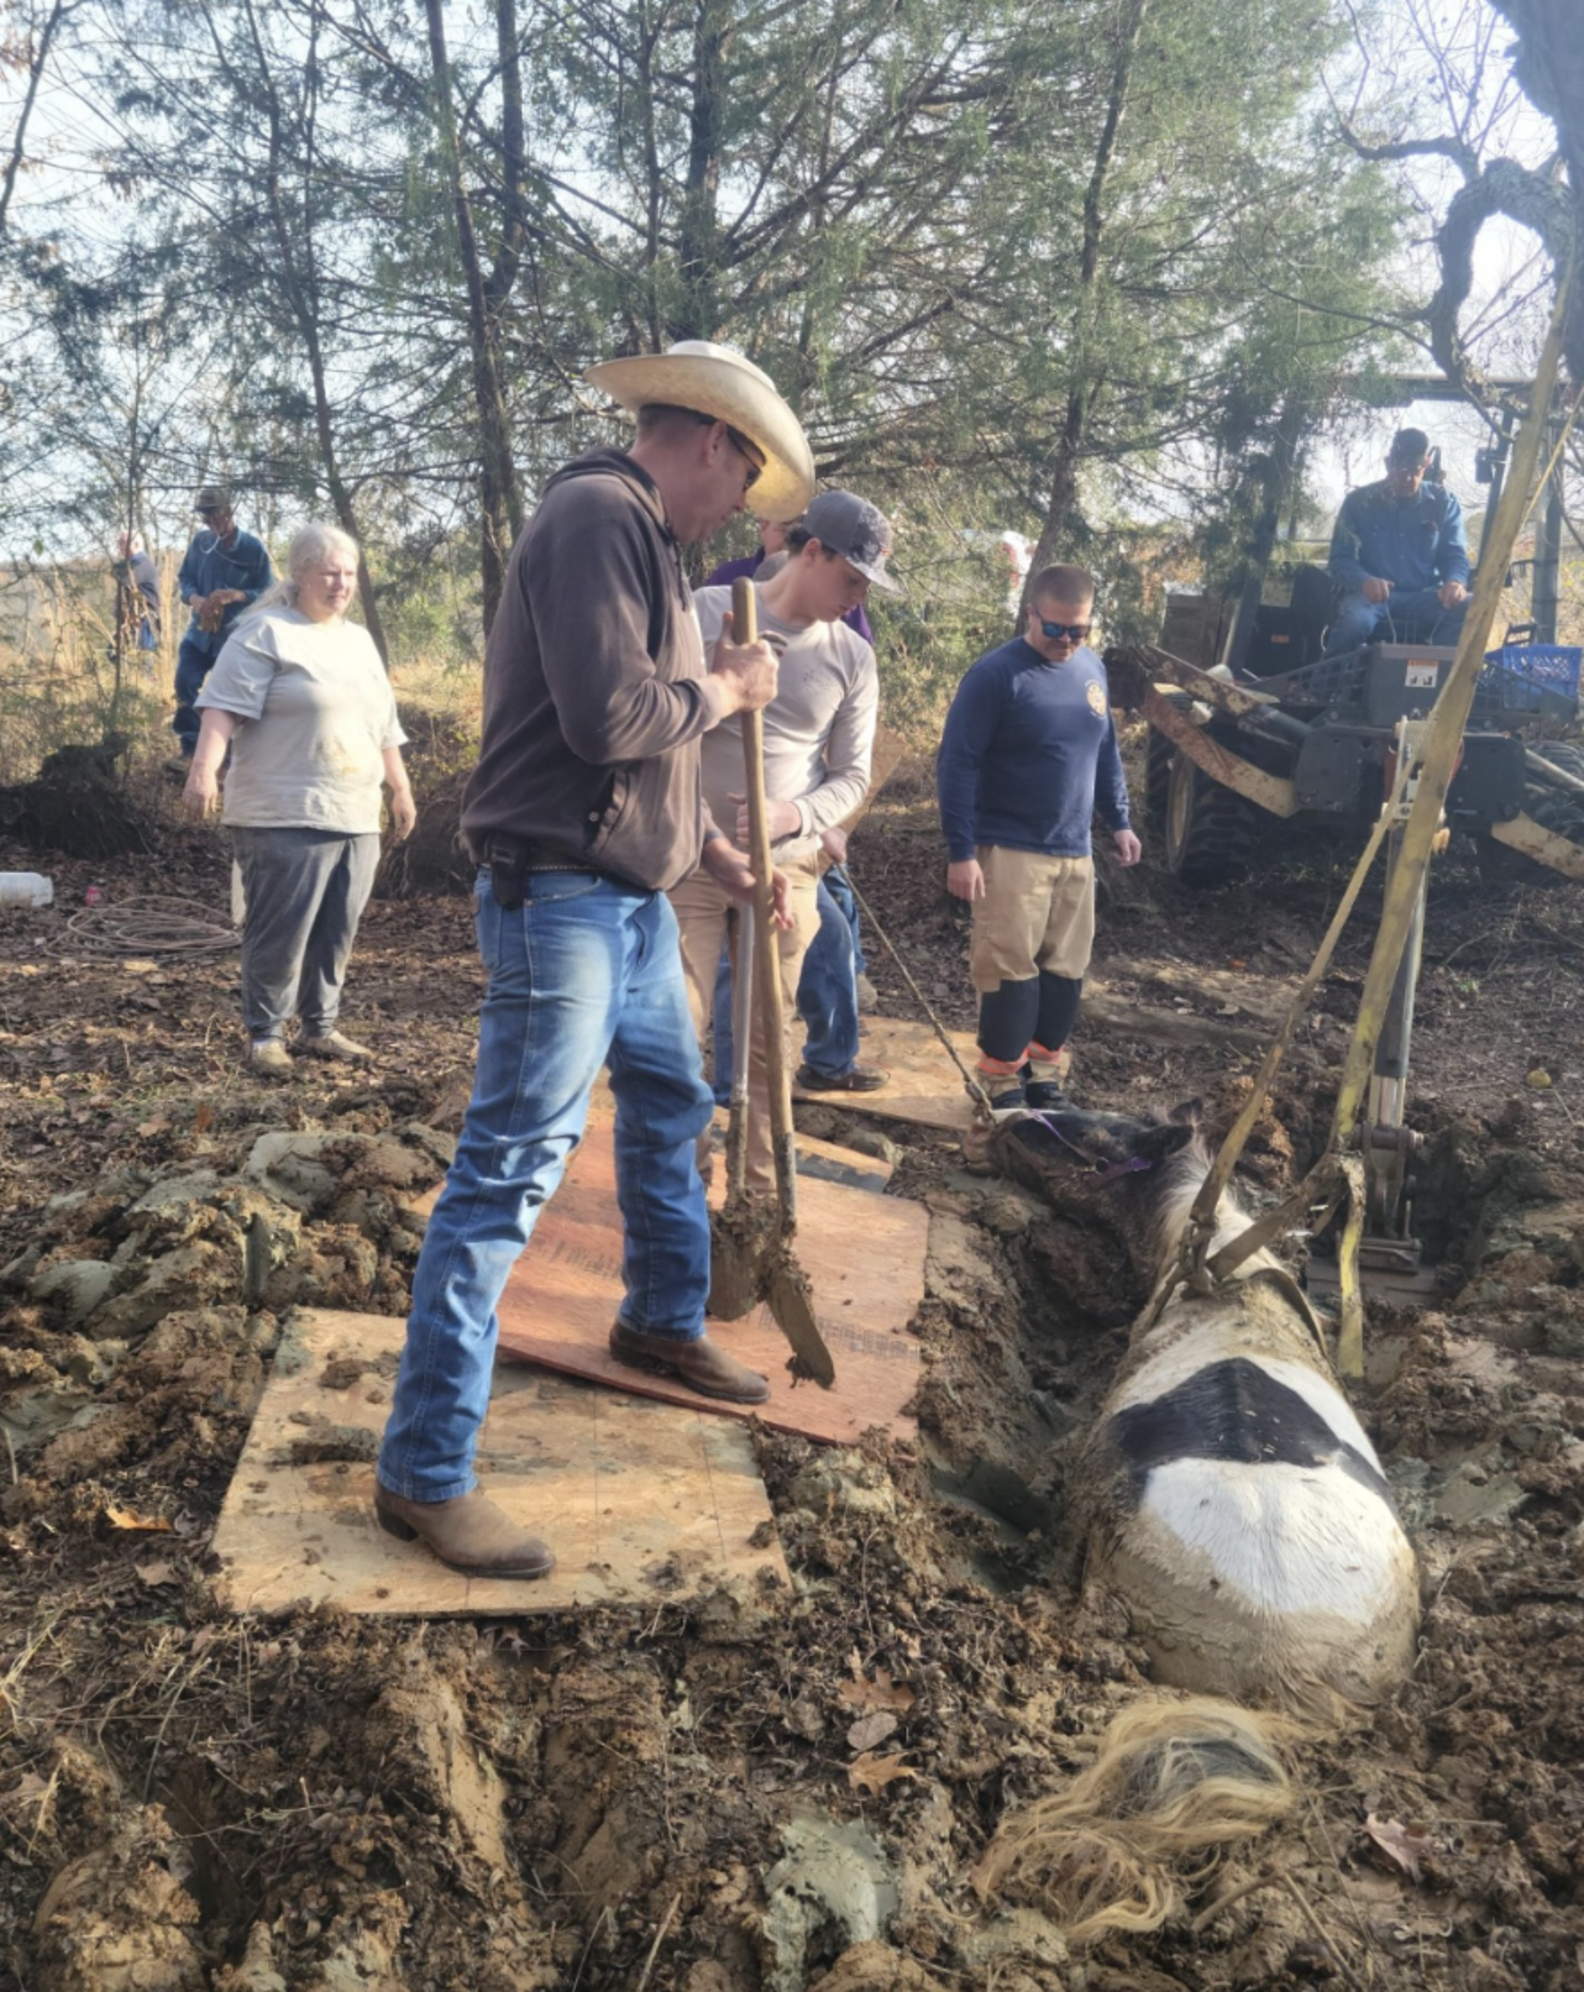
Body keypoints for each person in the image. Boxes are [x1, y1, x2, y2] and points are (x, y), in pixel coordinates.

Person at [375, 341, 814, 1581]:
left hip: (627, 901)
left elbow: (644, 762)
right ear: (714, 443)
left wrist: (716, 849)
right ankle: (422, 1473)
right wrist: (730, 690)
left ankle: (661, 1325)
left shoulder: (656, 555)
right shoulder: (593, 516)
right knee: (511, 1168)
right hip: (556, 900)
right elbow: (610, 719)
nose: (745, 507)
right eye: (747, 476)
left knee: (674, 1106)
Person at [674, 488, 893, 1189]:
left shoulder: (852, 657)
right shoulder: (711, 613)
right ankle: (680, 1183)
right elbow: (665, 734)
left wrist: (791, 816)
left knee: (769, 1040)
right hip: (690, 860)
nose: (857, 597)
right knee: (675, 1028)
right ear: (812, 551)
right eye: (851, 579)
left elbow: (852, 776)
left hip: (786, 871)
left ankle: (760, 1195)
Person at [182, 523, 415, 1074]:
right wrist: (203, 771)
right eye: (329, 572)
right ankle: (265, 1035)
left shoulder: (357, 641)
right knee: (281, 930)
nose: (340, 584)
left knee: (338, 928)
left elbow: (384, 724)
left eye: (349, 574)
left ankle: (319, 1028)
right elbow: (221, 707)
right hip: (282, 810)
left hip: (355, 811)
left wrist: (400, 788)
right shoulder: (265, 633)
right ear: (301, 574)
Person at [937, 563, 1140, 1113]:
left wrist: (1118, 820)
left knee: (1065, 973)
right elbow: (958, 763)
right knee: (1010, 973)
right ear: (1031, 612)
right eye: (1055, 629)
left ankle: (1044, 1074)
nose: (1066, 642)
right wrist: (961, 850)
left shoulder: (1091, 669)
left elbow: (1105, 753)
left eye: (1079, 631)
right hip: (1009, 849)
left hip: (1074, 852)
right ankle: (1001, 1081)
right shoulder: (996, 675)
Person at [1324, 428, 1471, 656]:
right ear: (1387, 464)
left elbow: (1455, 554)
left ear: (1427, 465)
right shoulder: (1358, 503)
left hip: (1425, 595)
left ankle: (1442, 680)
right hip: (1371, 597)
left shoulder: (1444, 502)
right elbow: (1340, 560)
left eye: (1415, 470)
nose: (1407, 479)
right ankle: (1324, 688)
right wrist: (1364, 581)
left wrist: (1455, 581)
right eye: (1400, 471)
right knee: (1354, 625)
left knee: (1470, 608)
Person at [170, 487, 274, 771]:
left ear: (228, 511)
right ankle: (191, 747)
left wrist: (236, 595)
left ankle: (227, 754)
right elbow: (185, 578)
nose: (208, 520)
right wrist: (196, 599)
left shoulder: (252, 547)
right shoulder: (200, 543)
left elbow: (268, 591)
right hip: (199, 635)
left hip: (235, 638)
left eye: (213, 512)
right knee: (184, 683)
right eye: (204, 514)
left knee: (229, 696)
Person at [707, 514, 874, 643]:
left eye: (801, 531)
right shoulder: (725, 577)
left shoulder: (839, 598)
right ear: (764, 526)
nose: (791, 539)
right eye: (784, 528)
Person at [114, 532, 161, 657]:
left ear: (136, 544)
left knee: (144, 662)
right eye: (119, 543)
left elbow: (125, 581)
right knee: (118, 655)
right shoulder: (134, 564)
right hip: (134, 620)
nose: (120, 546)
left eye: (123, 542)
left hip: (145, 621)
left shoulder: (141, 564)